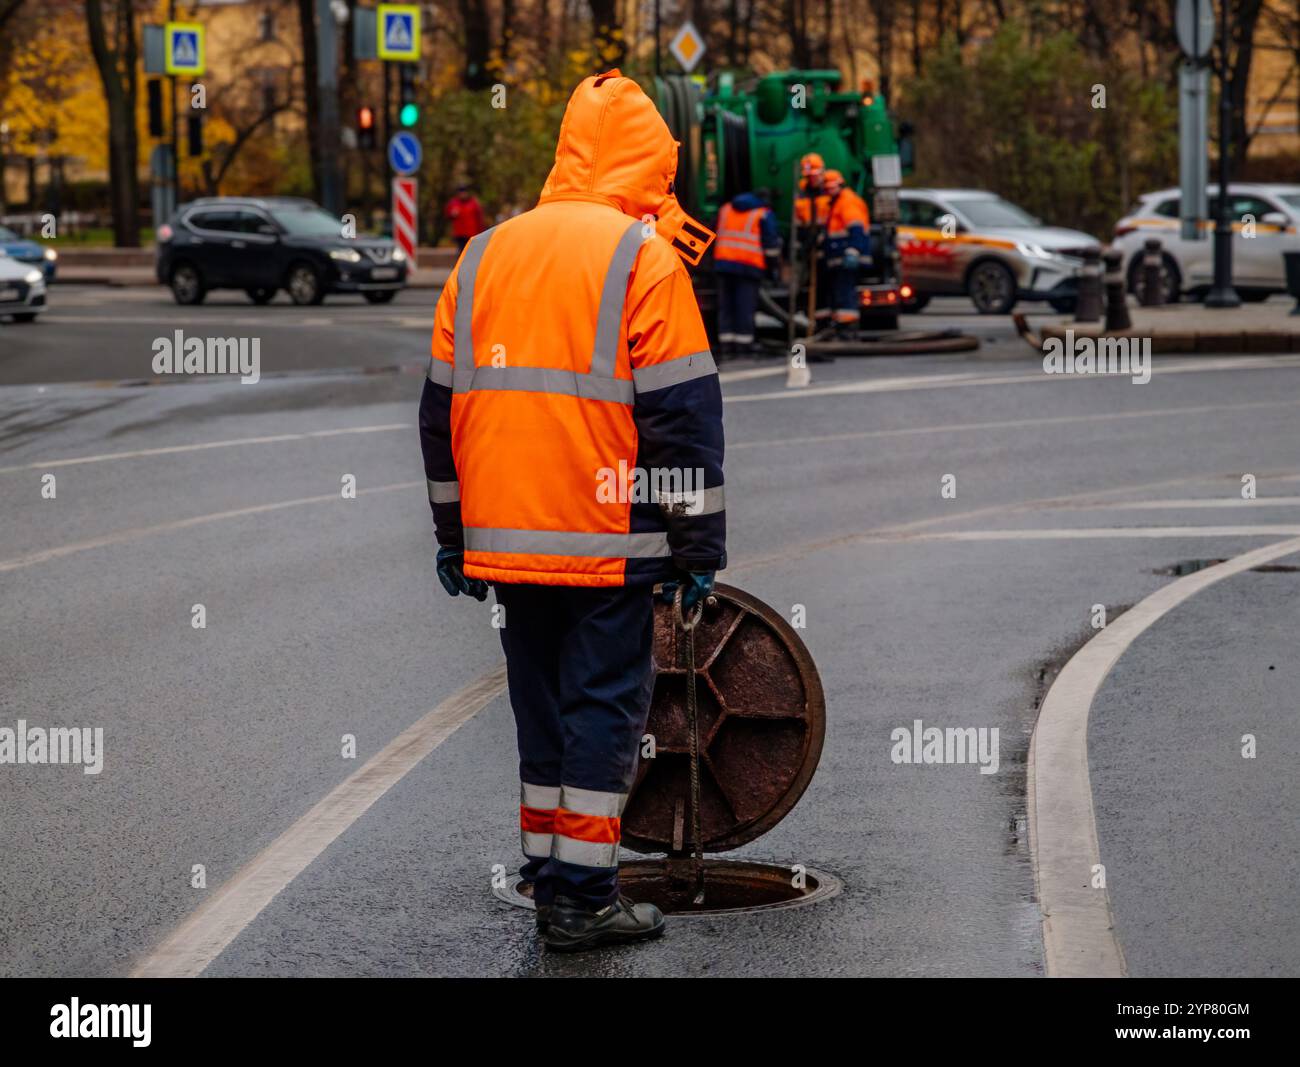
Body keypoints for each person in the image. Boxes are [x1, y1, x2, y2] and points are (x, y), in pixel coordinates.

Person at [419, 70, 726, 953]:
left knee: (542, 709)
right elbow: (681, 416)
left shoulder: (484, 252)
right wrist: (697, 543)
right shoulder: (643, 256)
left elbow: (441, 416)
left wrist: (454, 537)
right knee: (602, 710)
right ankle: (584, 901)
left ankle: (547, 873)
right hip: (604, 541)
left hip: (507, 548)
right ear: (650, 163)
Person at [713, 189, 781, 359]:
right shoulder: (763, 214)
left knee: (726, 306)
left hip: (723, 264)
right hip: (748, 266)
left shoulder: (726, 209)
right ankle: (744, 346)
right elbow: (771, 245)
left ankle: (726, 344)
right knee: (744, 306)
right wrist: (773, 268)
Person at [822, 169, 872, 338]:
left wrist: (853, 249)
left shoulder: (847, 202)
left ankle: (848, 329)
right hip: (838, 258)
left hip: (847, 257)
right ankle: (842, 328)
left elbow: (856, 227)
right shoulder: (836, 203)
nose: (829, 191)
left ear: (840, 185)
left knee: (845, 293)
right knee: (839, 293)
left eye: (831, 188)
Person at [443, 186, 486, 253]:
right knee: (462, 252)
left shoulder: (473, 203)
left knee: (472, 252)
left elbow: (479, 218)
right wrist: (452, 214)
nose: (463, 194)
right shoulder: (454, 203)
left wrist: (481, 231)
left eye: (464, 192)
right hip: (460, 234)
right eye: (461, 193)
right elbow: (447, 215)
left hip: (472, 233)